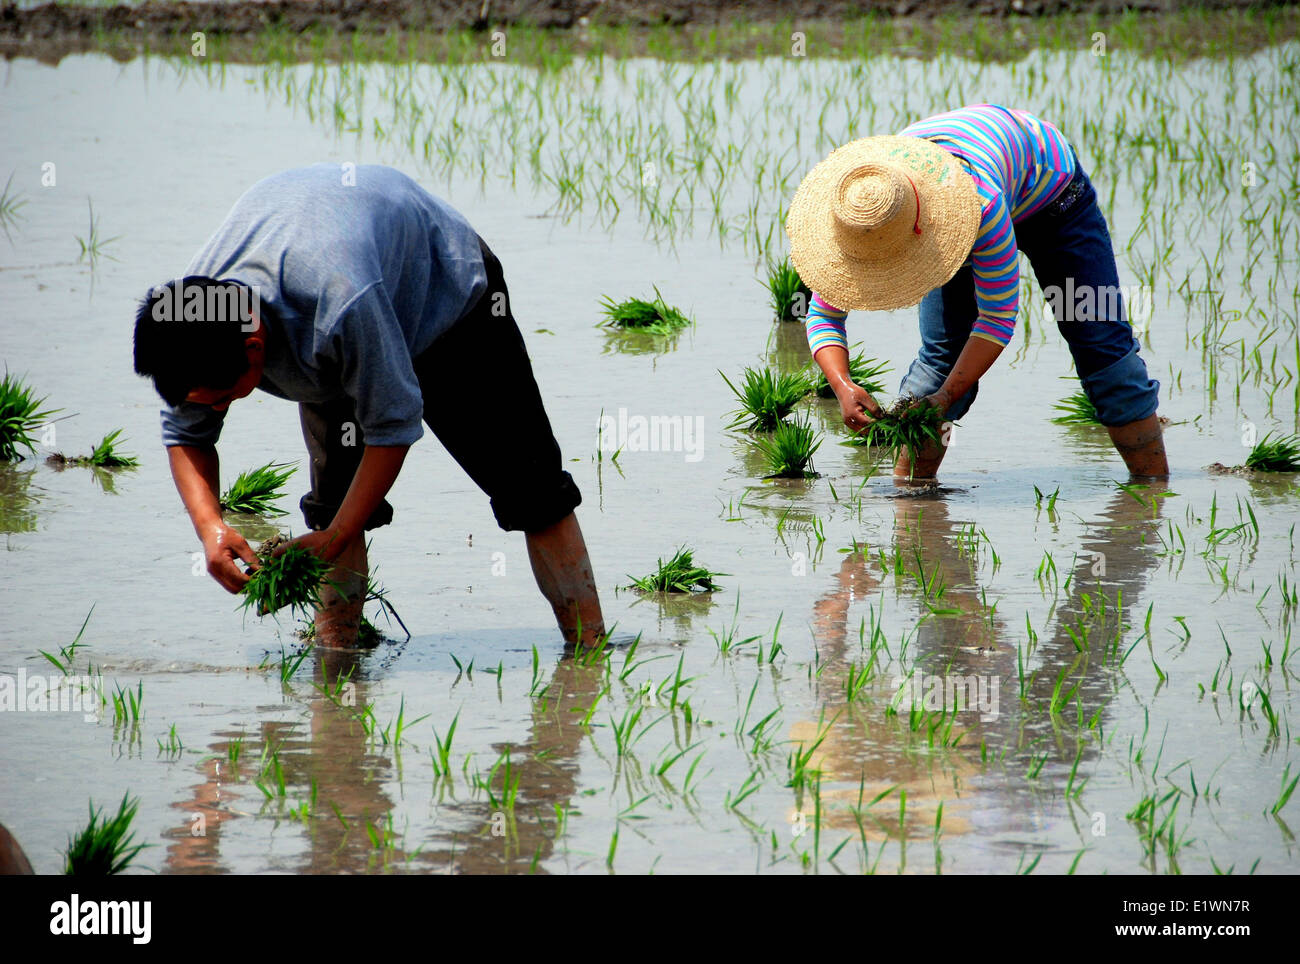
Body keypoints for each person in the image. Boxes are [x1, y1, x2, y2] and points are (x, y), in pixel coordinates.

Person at [133, 164, 605, 648]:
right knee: (334, 505)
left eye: (223, 399)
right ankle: (337, 656)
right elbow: (186, 434)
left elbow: (392, 428)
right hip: (335, 305)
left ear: (255, 349)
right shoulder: (191, 321)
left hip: (446, 297)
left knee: (531, 489)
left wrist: (339, 535)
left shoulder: (339, 300)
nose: (214, 410)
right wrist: (210, 526)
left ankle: (589, 648)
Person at [786, 103, 1169, 481]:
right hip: (965, 184)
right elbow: (824, 313)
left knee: (1098, 342)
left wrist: (948, 397)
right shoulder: (862, 217)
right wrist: (842, 385)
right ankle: (914, 511)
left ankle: (1151, 499)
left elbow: (997, 319)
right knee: (940, 364)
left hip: (1053, 196)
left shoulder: (976, 206)